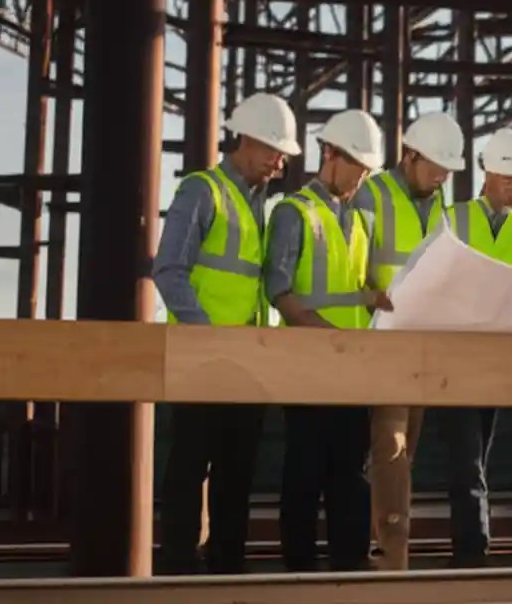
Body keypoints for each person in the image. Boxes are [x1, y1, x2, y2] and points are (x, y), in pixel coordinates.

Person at [153, 92, 301, 575]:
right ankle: (177, 565)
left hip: (247, 360)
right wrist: (205, 337)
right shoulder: (202, 190)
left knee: (237, 473)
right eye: (274, 150)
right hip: (202, 358)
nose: (280, 161)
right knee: (190, 466)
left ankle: (227, 566)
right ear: (247, 138)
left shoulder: (259, 204)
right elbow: (169, 269)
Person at [266, 109, 390, 572]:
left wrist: (374, 301)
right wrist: (331, 341)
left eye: (367, 170)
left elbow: (349, 291)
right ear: (331, 155)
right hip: (308, 366)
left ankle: (350, 561)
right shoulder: (293, 212)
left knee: (349, 473)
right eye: (358, 167)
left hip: (352, 371)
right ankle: (298, 566)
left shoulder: (360, 224)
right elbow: (280, 292)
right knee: (305, 468)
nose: (362, 178)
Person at [353, 110, 465, 570]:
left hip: (420, 343)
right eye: (435, 167)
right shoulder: (372, 193)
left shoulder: (437, 204)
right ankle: (394, 556)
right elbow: (350, 266)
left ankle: (372, 545)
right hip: (379, 341)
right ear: (410, 155)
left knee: (402, 453)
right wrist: (370, 297)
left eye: (447, 171)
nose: (441, 177)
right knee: (391, 447)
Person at [439, 127, 512, 567]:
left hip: (498, 361)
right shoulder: (452, 219)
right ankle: (471, 550)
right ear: (487, 173)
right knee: (466, 461)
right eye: (509, 176)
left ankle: (474, 546)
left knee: (479, 458)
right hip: (457, 358)